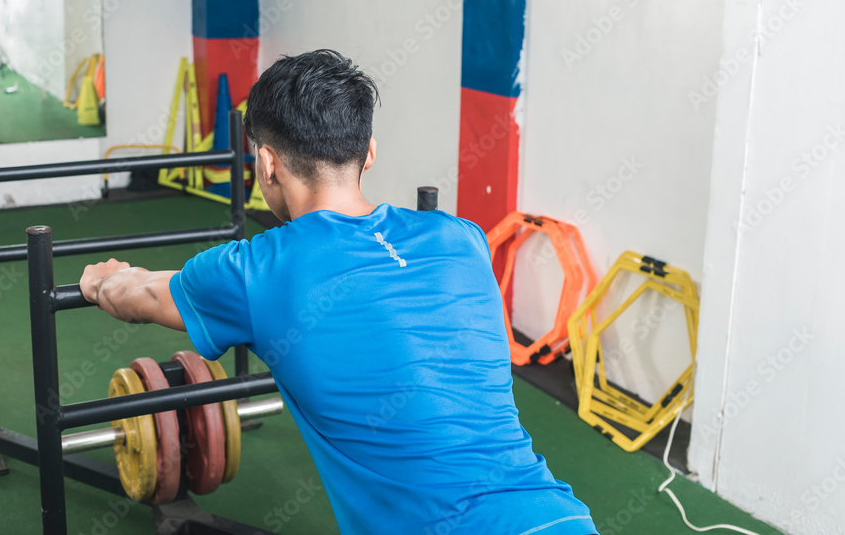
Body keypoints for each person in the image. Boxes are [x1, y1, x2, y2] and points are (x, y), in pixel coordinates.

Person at [79, 50, 597, 535]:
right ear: (368, 153)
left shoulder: (258, 269)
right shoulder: (463, 238)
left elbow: (140, 296)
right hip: (560, 518)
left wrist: (101, 279)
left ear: (267, 164)